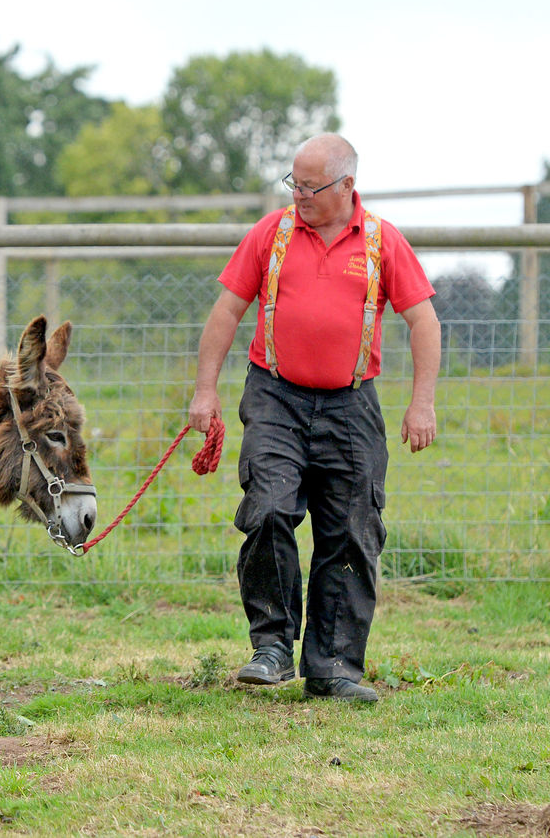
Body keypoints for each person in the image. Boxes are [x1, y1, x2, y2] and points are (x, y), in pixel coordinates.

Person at [188, 134, 441, 703]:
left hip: (352, 403)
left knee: (353, 529)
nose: (299, 195)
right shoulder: (271, 234)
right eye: (293, 183)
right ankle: (272, 648)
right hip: (275, 395)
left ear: (347, 186)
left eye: (311, 186)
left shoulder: (380, 241)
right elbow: (227, 310)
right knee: (269, 507)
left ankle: (333, 668)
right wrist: (205, 391)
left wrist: (422, 402)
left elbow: (424, 322)